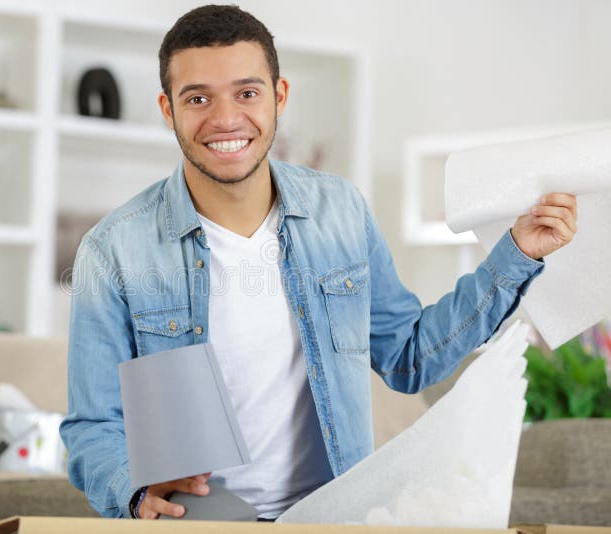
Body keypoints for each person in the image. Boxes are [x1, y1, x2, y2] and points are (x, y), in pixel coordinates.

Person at [59, 4, 578, 521]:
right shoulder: (113, 250)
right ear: (168, 109)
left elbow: (409, 357)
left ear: (279, 96)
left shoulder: (341, 211)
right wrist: (133, 491)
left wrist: (516, 254)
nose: (225, 119)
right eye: (198, 98)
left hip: (331, 517)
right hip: (196, 523)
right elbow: (92, 427)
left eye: (247, 93)